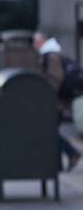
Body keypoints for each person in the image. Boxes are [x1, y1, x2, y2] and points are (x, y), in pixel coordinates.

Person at [33, 31, 82, 171]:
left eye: (36, 41)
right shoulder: (50, 54)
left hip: (56, 102)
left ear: (43, 41)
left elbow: (56, 78)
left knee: (49, 131)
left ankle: (72, 153)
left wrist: (48, 96)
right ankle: (58, 164)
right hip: (57, 101)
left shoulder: (51, 55)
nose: (34, 44)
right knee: (52, 130)